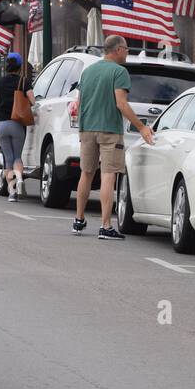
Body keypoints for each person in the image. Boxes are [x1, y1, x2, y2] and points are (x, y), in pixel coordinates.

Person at [72, 35, 154, 239]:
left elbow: (79, 101)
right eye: (126, 48)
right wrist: (142, 127)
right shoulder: (120, 72)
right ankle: (106, 226)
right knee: (108, 175)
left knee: (86, 173)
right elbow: (121, 103)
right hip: (109, 129)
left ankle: (79, 220)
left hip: (87, 128)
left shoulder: (88, 71)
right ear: (117, 50)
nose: (127, 52)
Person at [0, 53, 34, 202]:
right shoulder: (24, 82)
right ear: (20, 66)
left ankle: (12, 193)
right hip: (17, 123)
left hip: (1, 124)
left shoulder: (0, 82)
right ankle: (19, 178)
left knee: (8, 159)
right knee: (18, 156)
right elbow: (32, 100)